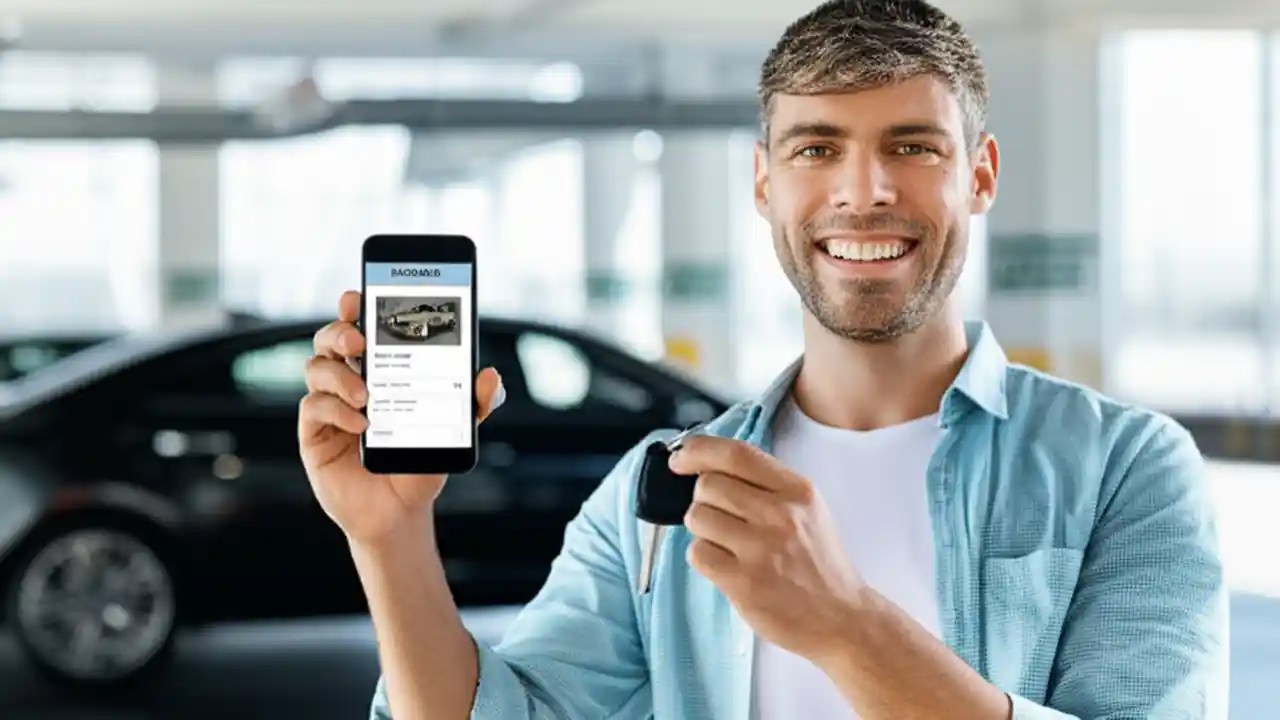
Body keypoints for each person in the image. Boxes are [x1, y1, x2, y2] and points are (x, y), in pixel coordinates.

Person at [299, 1, 1228, 717]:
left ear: (979, 174)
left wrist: (845, 626)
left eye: (911, 147)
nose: (862, 192)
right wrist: (389, 541)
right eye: (817, 147)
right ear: (764, 181)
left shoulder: (1124, 467)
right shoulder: (661, 490)